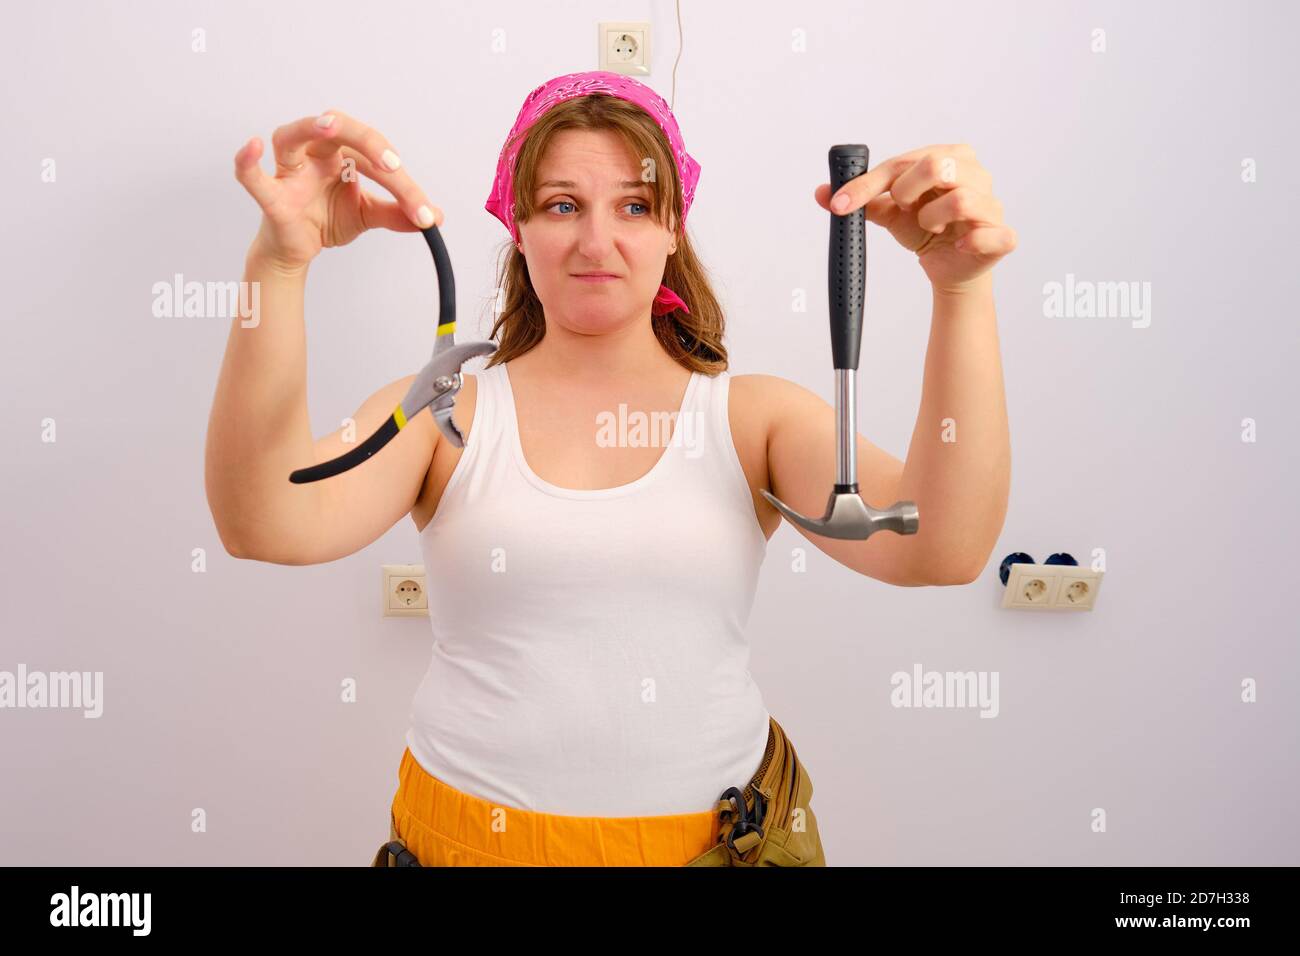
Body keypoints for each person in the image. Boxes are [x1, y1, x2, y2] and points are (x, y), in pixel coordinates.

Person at [207, 70, 1015, 867]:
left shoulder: (752, 419)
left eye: (634, 205)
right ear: (516, 225)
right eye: (563, 205)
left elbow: (939, 548)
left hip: (718, 849)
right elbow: (264, 523)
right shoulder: (447, 410)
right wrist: (278, 268)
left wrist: (963, 287)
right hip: (465, 844)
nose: (597, 241)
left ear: (674, 228)